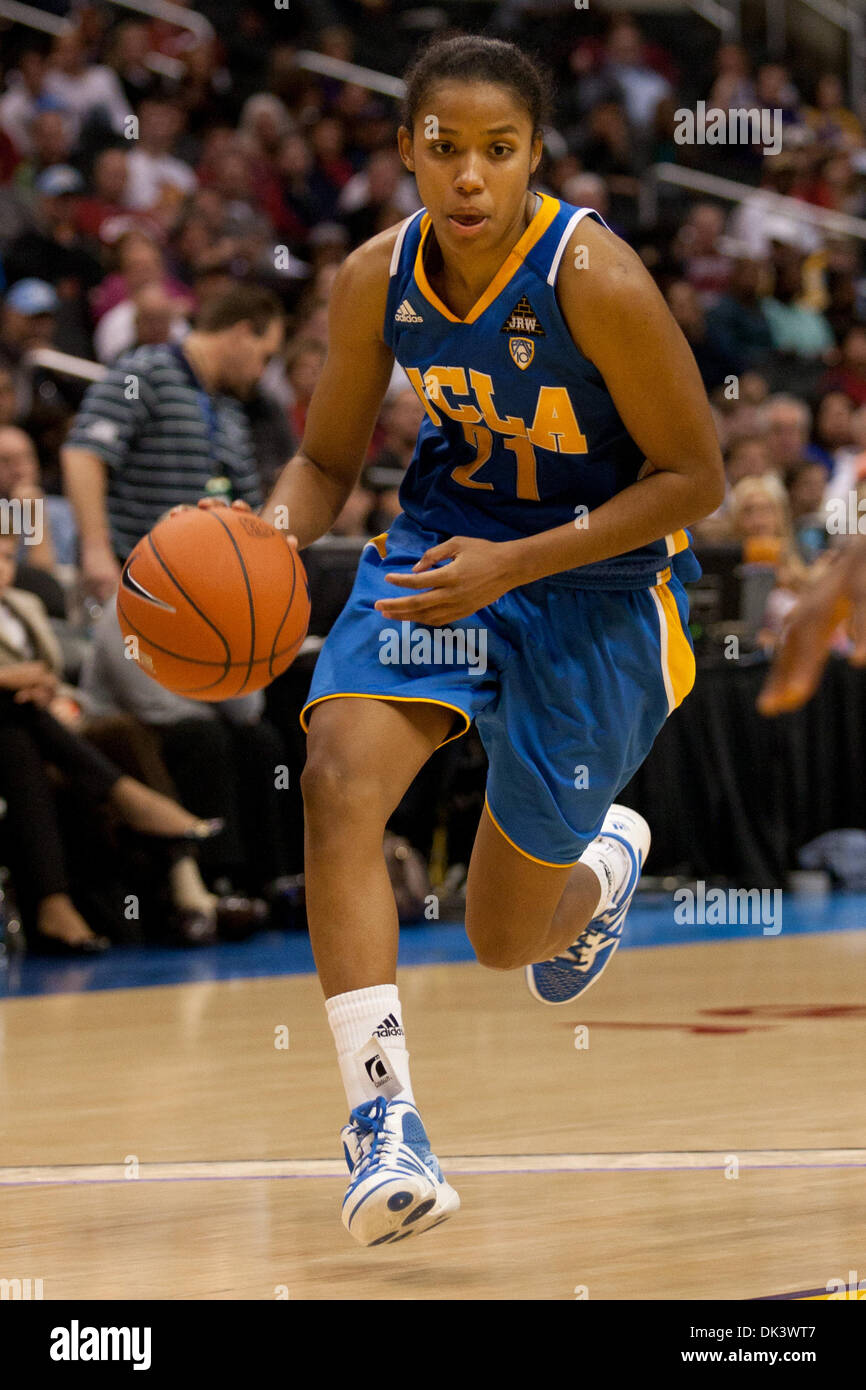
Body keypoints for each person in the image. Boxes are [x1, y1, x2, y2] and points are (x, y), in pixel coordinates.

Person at [216, 34, 723, 1247]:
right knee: (337, 776)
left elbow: (694, 476)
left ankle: (599, 864)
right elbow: (330, 462)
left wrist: (522, 561)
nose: (469, 177)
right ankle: (382, 1123)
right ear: (405, 151)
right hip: (443, 553)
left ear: (534, 156)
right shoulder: (372, 279)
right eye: (443, 149)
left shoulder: (592, 275)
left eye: (498, 151)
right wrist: (260, 538)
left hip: (596, 591)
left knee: (502, 939)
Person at [61, 284, 284, 600]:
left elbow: (247, 503)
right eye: (266, 356)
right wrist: (96, 551)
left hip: (198, 584)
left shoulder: (231, 407)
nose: (262, 372)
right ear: (242, 332)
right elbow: (84, 454)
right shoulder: (144, 374)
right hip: (131, 576)